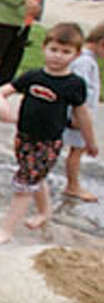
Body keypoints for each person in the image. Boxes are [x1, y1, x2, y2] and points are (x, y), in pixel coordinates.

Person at [0, 23, 97, 244]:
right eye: (54, 49)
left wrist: (90, 143)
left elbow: (83, 115)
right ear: (44, 48)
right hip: (23, 137)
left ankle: (6, 230)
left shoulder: (74, 84)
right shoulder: (33, 76)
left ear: (77, 55)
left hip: (49, 142)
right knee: (35, 175)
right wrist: (2, 103)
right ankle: (45, 212)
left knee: (24, 183)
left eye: (66, 52)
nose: (58, 56)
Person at [62, 21, 103, 203]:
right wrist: (78, 117)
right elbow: (78, 92)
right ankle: (72, 185)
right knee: (76, 151)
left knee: (73, 149)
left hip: (77, 116)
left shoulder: (86, 61)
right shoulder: (85, 63)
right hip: (76, 117)